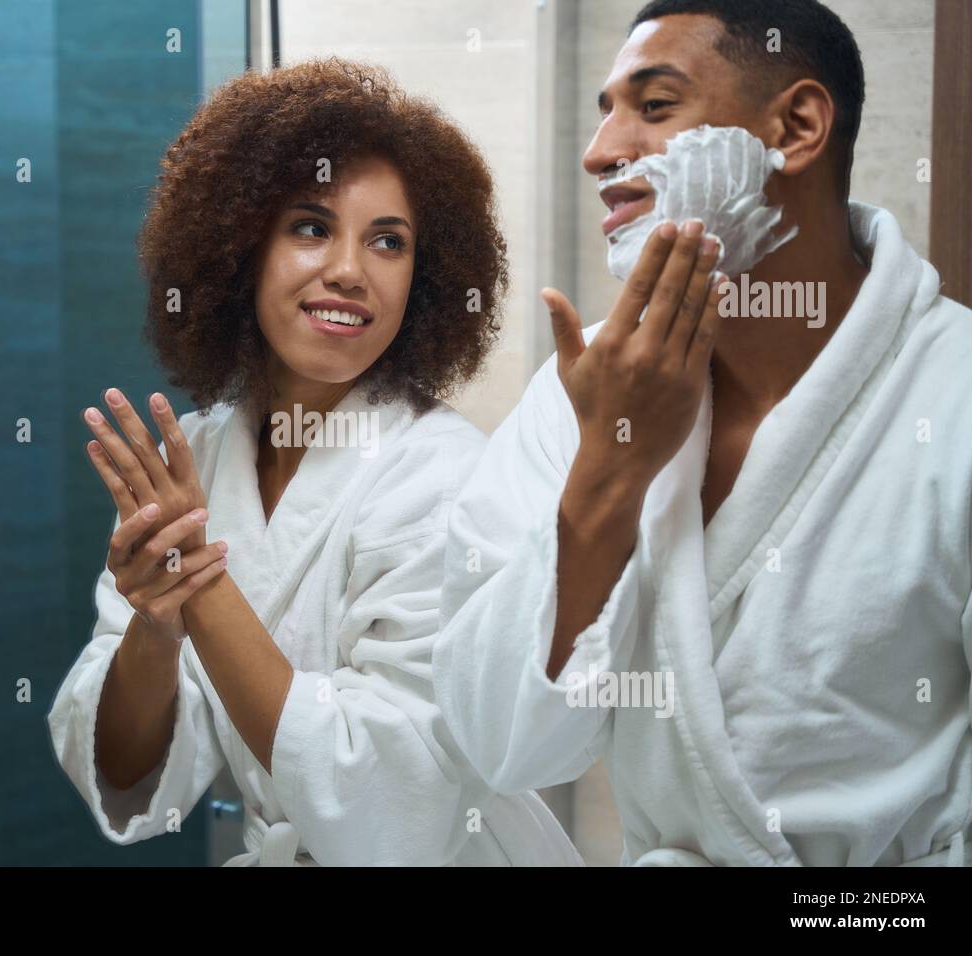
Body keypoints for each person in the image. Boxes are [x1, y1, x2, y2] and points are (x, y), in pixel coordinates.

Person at [434, 0, 972, 866]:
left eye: (652, 107)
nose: (600, 151)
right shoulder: (578, 396)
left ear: (795, 128)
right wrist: (607, 478)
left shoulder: (956, 395)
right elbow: (496, 741)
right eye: (604, 111)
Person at [48, 58, 581, 866]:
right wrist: (156, 627)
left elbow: (389, 793)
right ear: (237, 247)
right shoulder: (200, 453)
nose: (348, 270)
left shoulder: (446, 473)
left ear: (425, 279)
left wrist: (203, 583)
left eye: (389, 242)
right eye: (310, 227)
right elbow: (125, 773)